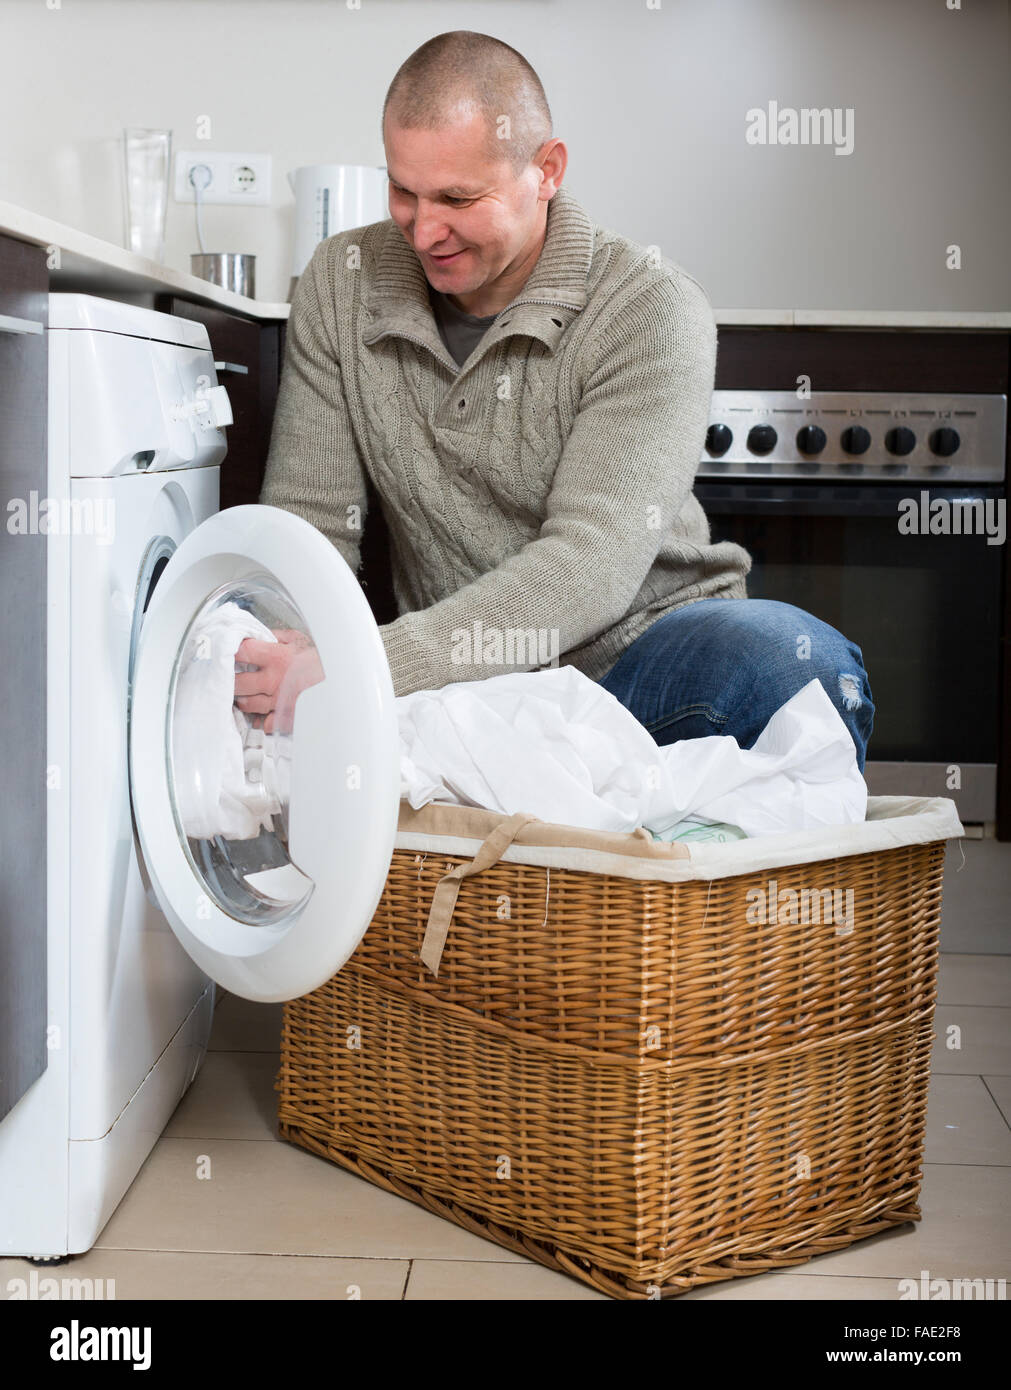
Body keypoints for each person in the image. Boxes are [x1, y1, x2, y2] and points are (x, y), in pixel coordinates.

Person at [235, 30, 874, 768]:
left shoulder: (650, 306)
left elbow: (589, 562)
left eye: (457, 198)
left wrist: (361, 665)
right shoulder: (342, 279)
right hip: (458, 694)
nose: (423, 229)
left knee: (800, 674)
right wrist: (280, 668)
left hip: (638, 664)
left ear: (546, 171)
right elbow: (309, 524)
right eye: (402, 192)